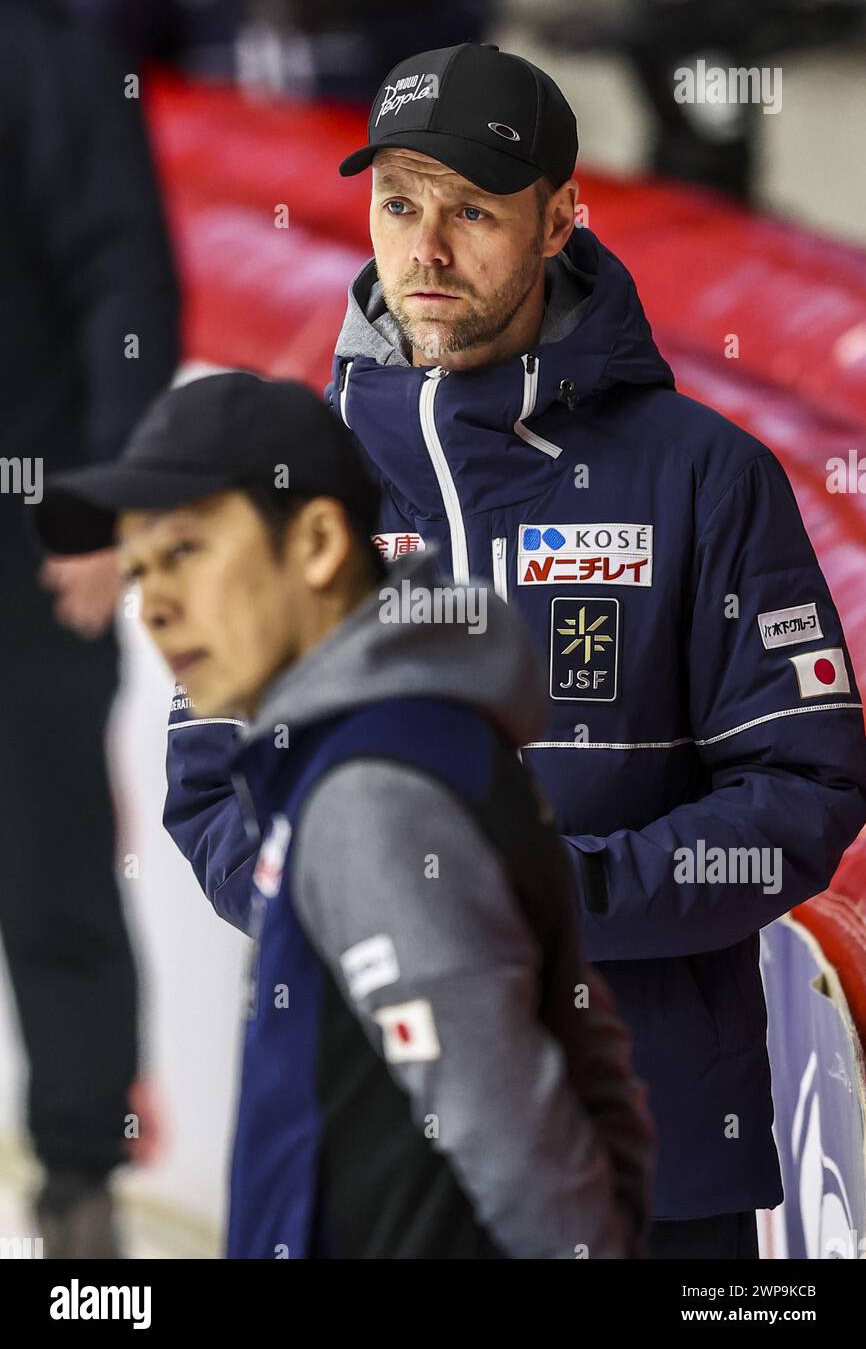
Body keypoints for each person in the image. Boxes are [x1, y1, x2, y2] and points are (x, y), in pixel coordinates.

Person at [157, 42, 866, 1260]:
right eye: (398, 204)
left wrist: (566, 900)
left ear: (559, 222)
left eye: (472, 210)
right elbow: (214, 785)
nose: (424, 250)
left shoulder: (703, 478)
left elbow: (799, 796)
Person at [34, 371, 654, 1259]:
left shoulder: (372, 793)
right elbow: (588, 1067)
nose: (157, 607)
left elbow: (526, 1157)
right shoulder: (391, 741)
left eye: (186, 552)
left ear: (320, 543)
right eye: (138, 571)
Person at [0, 0, 179, 1255]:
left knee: (52, 855)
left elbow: (125, 284)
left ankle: (78, 1185)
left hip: (28, 541)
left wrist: (101, 506)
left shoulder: (47, 60)